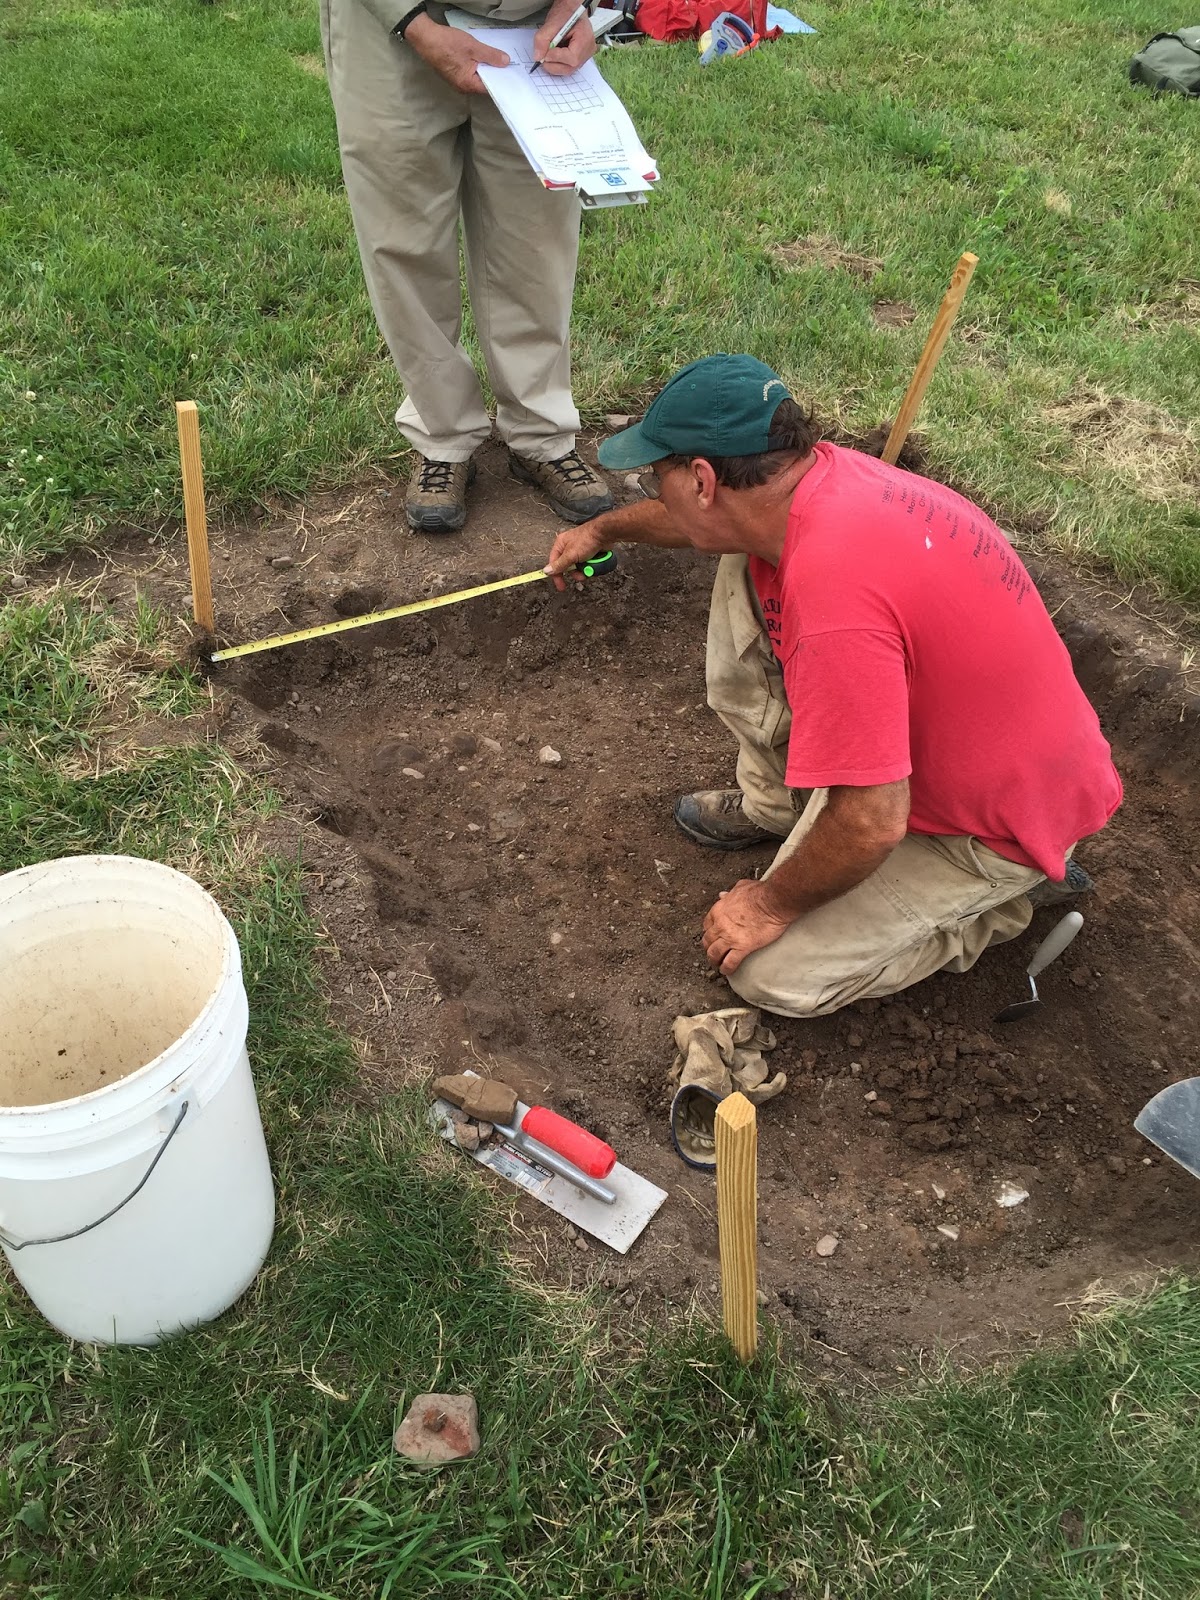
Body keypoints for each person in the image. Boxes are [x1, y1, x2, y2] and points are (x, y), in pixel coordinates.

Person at [544, 354, 1123, 1018]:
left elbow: (873, 821)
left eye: (658, 474)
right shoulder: (814, 485)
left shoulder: (834, 599)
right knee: (742, 562)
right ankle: (776, 807)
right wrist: (602, 528)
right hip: (981, 751)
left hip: (989, 827)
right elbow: (697, 524)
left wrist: (767, 903)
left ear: (702, 480)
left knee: (767, 972)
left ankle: (1005, 901)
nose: (653, 486)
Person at [321, 0, 615, 535]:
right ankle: (443, 436)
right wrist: (417, 27)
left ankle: (540, 434)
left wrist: (576, 6)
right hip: (390, 27)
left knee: (536, 241)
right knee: (405, 241)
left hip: (534, 29)